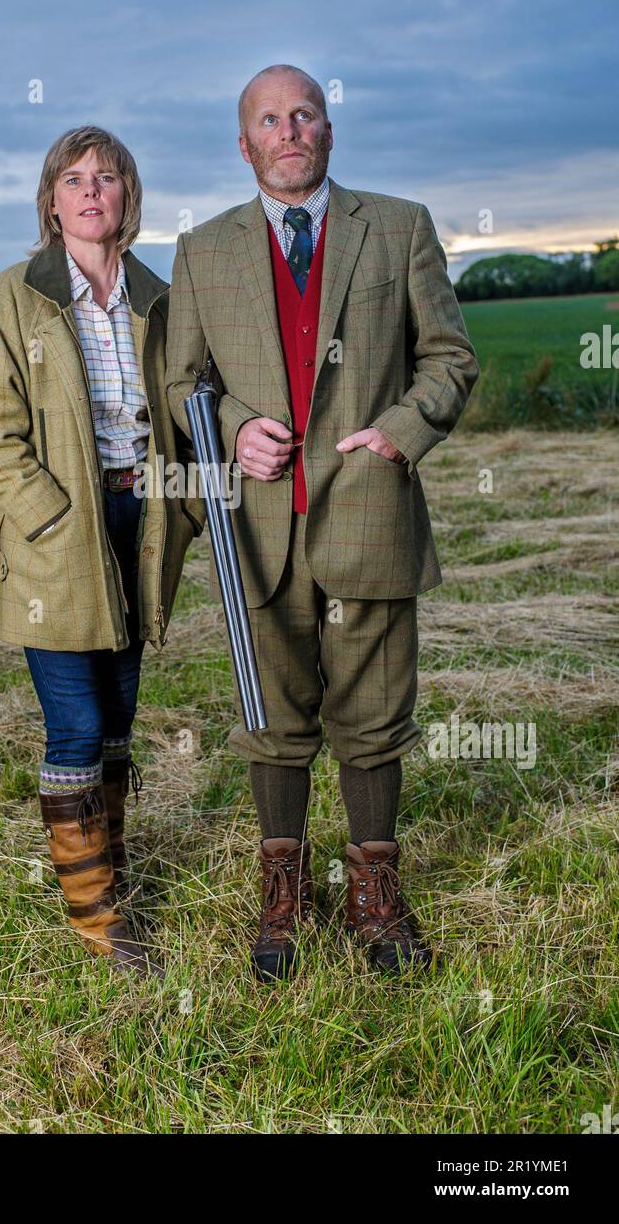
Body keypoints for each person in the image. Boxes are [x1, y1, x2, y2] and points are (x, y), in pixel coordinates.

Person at [165, 65, 479, 981]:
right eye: (270, 119)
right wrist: (232, 427)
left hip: (370, 511)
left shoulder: (401, 226)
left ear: (329, 131)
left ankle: (374, 895)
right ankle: (285, 893)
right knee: (272, 723)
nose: (290, 130)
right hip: (257, 528)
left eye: (305, 114)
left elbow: (450, 359)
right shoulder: (202, 249)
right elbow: (182, 381)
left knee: (374, 719)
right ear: (245, 145)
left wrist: (400, 433)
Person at [0, 125, 204, 980]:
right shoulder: (17, 295)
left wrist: (184, 510)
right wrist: (53, 517)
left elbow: (187, 417)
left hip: (141, 524)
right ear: (51, 202)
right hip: (60, 532)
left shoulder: (159, 298)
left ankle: (112, 875)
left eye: (106, 176)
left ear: (128, 195)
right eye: (73, 178)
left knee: (121, 720)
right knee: (78, 725)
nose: (91, 190)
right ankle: (98, 922)